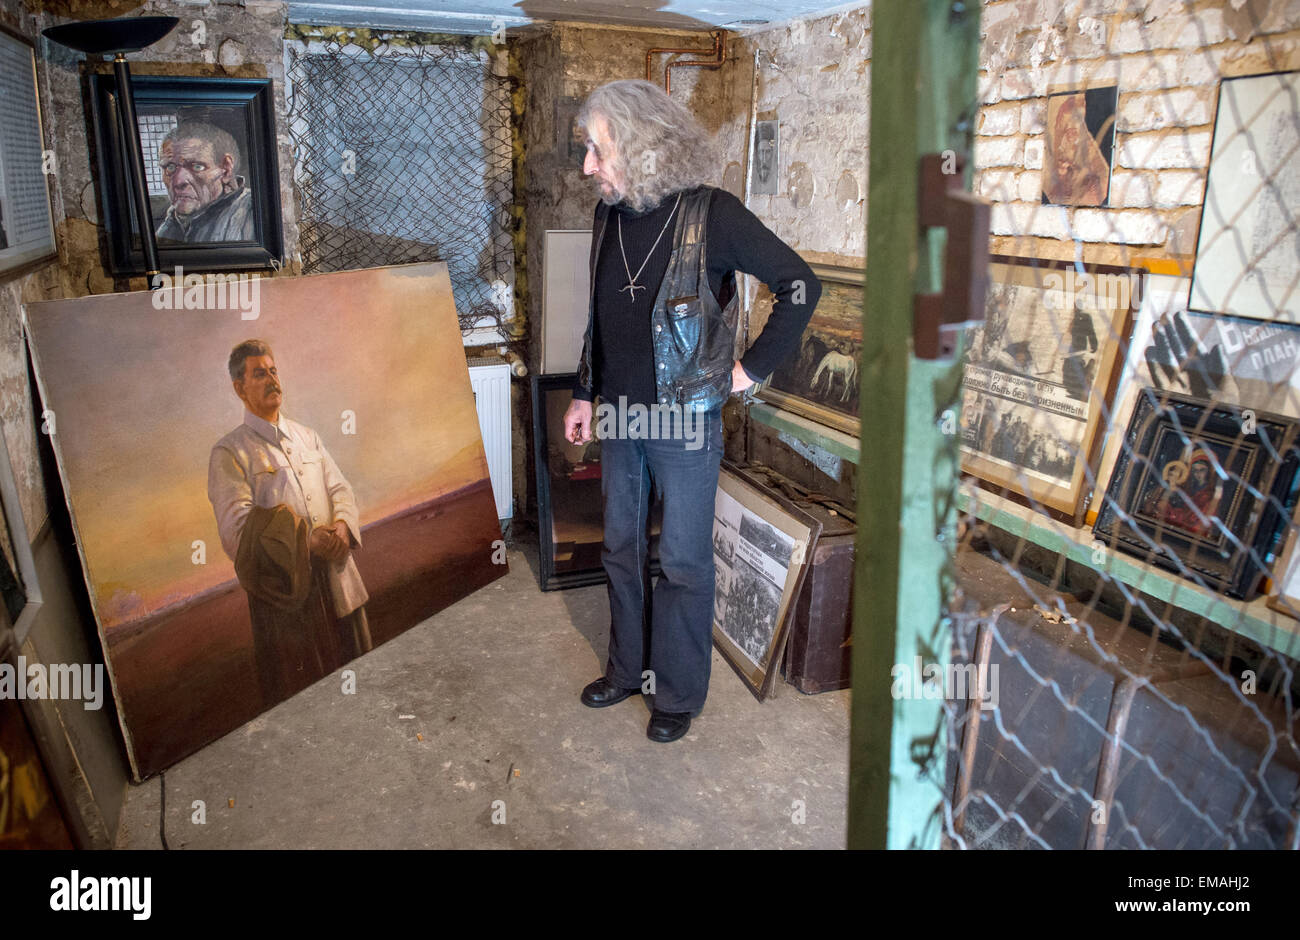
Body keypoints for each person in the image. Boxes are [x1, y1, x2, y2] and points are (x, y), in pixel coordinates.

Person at [562, 79, 820, 743]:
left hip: (684, 421)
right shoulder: (609, 216)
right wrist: (586, 392)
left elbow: (799, 285)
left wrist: (748, 371)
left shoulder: (715, 216)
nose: (588, 165)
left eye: (598, 150)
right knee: (619, 549)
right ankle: (627, 671)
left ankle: (674, 694)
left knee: (681, 561)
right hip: (620, 420)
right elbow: (601, 315)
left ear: (644, 147)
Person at [208, 339, 371, 705]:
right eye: (259, 374)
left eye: (273, 371)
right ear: (239, 388)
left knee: (363, 684)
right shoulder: (229, 453)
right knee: (307, 702)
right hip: (286, 601)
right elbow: (237, 533)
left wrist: (342, 527)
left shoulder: (307, 437)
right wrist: (304, 541)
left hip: (339, 579)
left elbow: (340, 487)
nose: (271, 379)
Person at [155, 123, 255, 243]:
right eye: (170, 167)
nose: (178, 181)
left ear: (226, 169)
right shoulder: (172, 220)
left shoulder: (252, 212)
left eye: (197, 167)